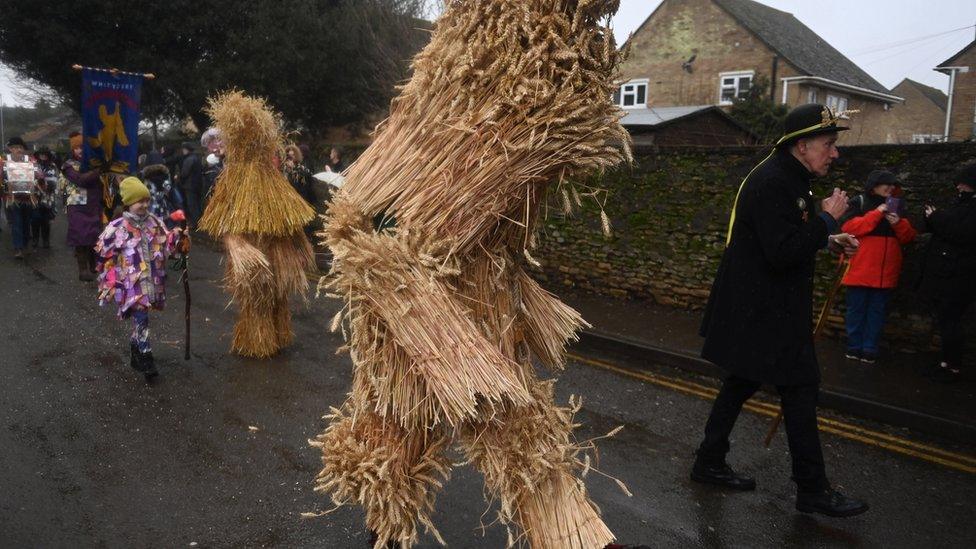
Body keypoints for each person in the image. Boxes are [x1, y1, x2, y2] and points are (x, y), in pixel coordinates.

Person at [693, 103, 868, 517]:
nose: (835, 153)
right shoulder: (773, 182)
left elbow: (785, 238)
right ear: (803, 145)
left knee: (741, 382)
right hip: (764, 312)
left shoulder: (791, 178)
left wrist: (828, 239)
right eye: (829, 144)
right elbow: (782, 252)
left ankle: (708, 460)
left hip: (763, 309)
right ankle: (812, 489)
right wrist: (826, 221)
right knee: (801, 389)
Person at [95, 176, 186, 382]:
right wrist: (111, 279)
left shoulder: (154, 222)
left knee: (141, 318)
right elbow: (104, 255)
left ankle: (136, 349)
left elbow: (167, 244)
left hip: (152, 280)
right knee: (142, 316)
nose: (144, 205)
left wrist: (179, 238)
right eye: (139, 201)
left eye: (146, 200)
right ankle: (146, 357)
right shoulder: (118, 227)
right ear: (128, 202)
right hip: (131, 284)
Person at [840, 170, 917, 364]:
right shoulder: (860, 202)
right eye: (887, 184)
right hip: (861, 268)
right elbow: (848, 228)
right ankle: (854, 346)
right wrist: (876, 214)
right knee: (856, 311)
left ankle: (869, 349)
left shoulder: (898, 206)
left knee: (877, 313)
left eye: (893, 185)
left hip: (885, 272)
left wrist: (898, 223)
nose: (891, 188)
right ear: (874, 185)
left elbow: (908, 237)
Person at [917, 164, 976, 383]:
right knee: (945, 321)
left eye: (963, 182)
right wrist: (933, 218)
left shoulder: (971, 208)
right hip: (947, 275)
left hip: (959, 277)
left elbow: (961, 233)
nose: (958, 186)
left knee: (951, 321)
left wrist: (936, 217)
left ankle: (952, 367)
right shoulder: (962, 203)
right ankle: (945, 362)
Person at [63, 131, 105, 281]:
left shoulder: (94, 163)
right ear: (72, 150)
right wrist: (98, 171)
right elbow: (80, 180)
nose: (80, 150)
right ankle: (83, 270)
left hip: (94, 205)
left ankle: (94, 264)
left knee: (95, 236)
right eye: (77, 148)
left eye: (83, 147)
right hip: (77, 206)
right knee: (81, 238)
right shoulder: (68, 165)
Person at [2, 137, 44, 258]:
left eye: (20, 147)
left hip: (28, 198)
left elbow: (39, 174)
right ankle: (18, 248)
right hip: (13, 198)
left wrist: (39, 176)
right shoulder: (5, 161)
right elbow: (1, 176)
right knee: (16, 223)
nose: (18, 150)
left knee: (26, 223)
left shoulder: (30, 160)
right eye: (15, 147)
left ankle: (25, 245)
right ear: (10, 149)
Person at [140, 152, 183, 228]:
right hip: (167, 216)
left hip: (149, 216)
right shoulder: (167, 183)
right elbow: (177, 200)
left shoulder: (145, 184)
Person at [32, 147, 61, 249]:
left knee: (46, 219)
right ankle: (35, 239)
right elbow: (29, 179)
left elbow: (55, 181)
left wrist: (45, 183)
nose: (43, 156)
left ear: (48, 155)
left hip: (48, 196)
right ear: (38, 155)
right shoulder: (34, 166)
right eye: (41, 154)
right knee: (35, 219)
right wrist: (37, 181)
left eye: (45, 154)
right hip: (35, 196)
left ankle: (46, 240)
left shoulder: (52, 166)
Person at [178, 142, 204, 226]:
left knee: (192, 204)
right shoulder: (197, 158)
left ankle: (196, 222)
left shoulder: (189, 159)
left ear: (186, 149)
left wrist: (179, 179)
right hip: (197, 184)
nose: (183, 151)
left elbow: (184, 173)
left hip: (190, 185)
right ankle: (200, 220)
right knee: (197, 203)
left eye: (184, 149)